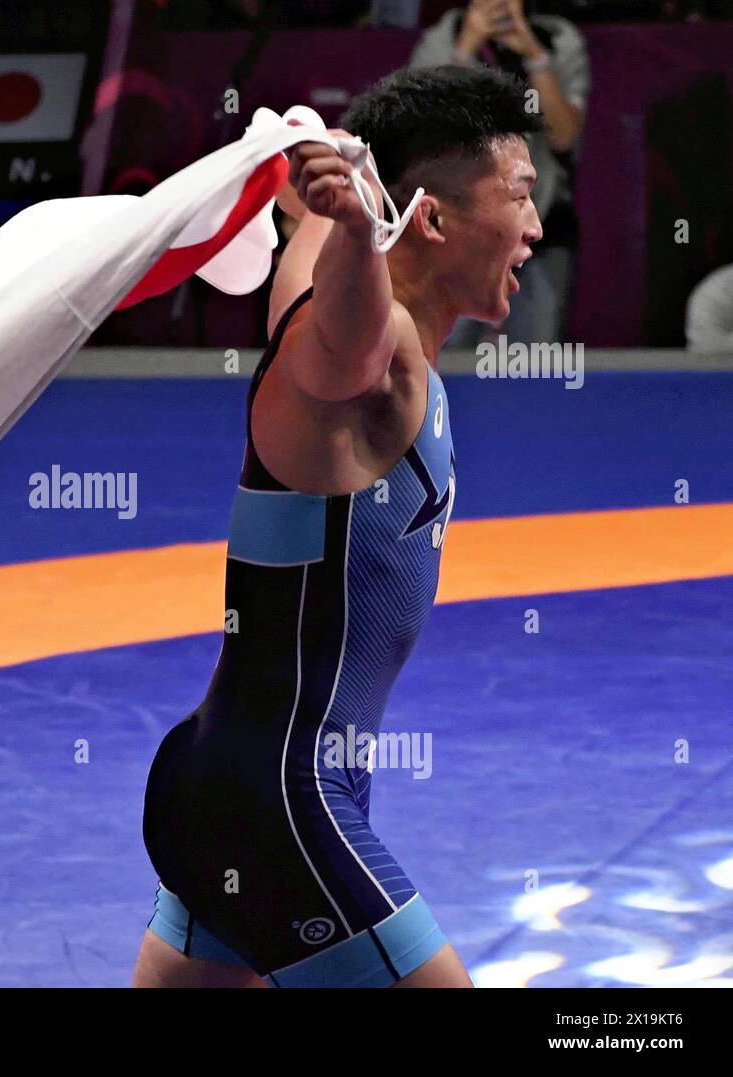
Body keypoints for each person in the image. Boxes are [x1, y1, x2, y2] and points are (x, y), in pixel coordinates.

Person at [133, 65, 543, 988]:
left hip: (227, 789)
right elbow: (341, 332)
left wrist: (316, 161)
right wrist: (357, 232)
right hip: (280, 803)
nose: (536, 226)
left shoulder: (365, 328)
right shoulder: (363, 358)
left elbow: (305, 236)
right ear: (432, 219)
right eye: (520, 197)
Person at [410, 0, 587, 346]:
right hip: (456, 235)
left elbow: (565, 135)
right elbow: (422, 127)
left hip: (541, 229)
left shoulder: (558, 38)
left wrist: (535, 56)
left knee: (533, 363)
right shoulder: (445, 37)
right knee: (445, 355)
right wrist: (465, 51)